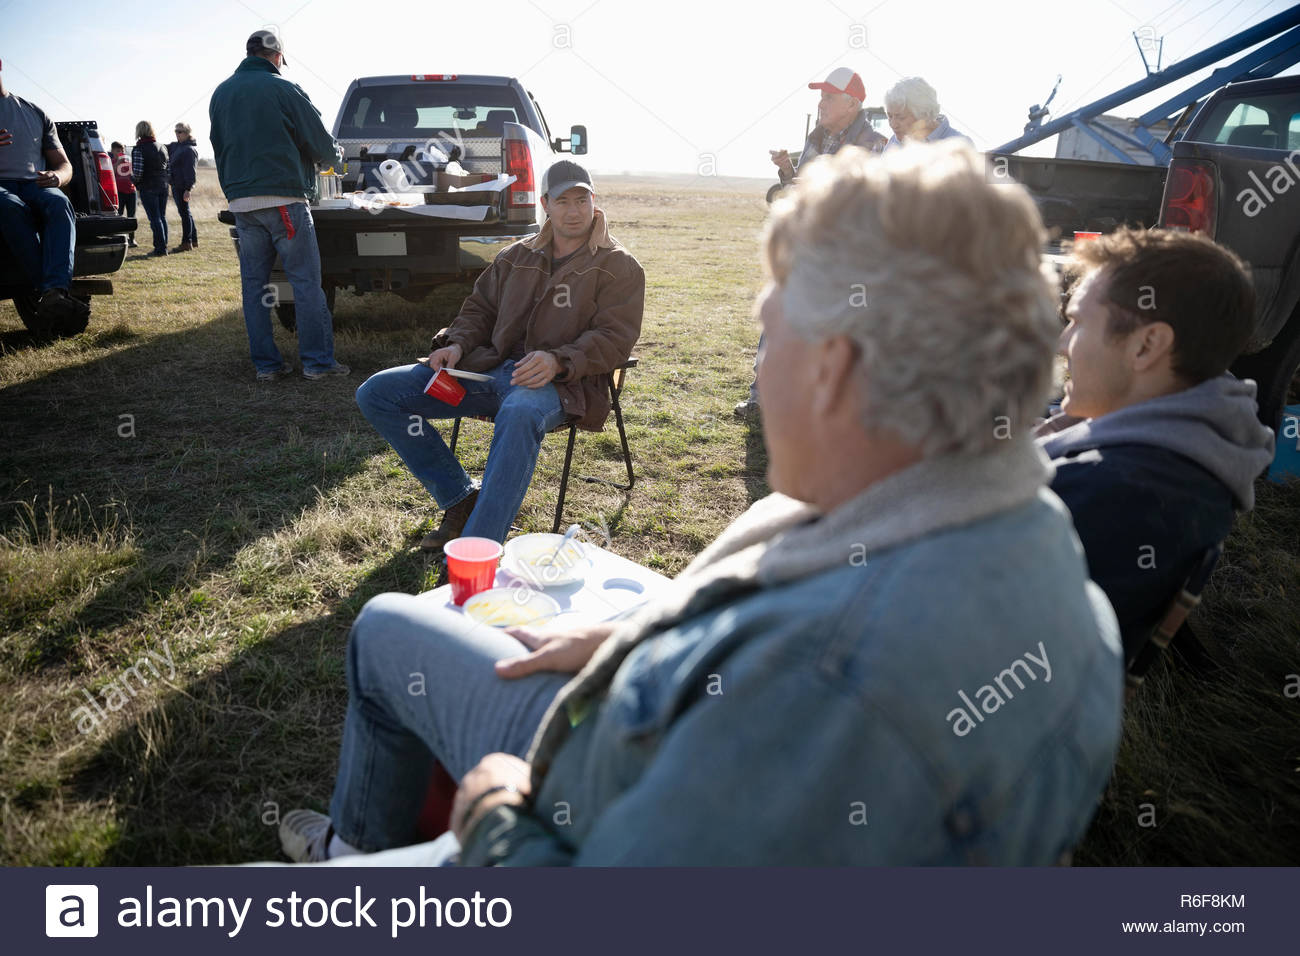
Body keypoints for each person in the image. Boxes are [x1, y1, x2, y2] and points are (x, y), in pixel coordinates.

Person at [277, 142, 1123, 866]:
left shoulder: (822, 682)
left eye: (769, 331)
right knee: (407, 617)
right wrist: (630, 639)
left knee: (384, 625)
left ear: (831, 368)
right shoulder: (1042, 555)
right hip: (635, 699)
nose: (758, 377)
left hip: (573, 787)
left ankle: (355, 860)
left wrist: (497, 806)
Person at [355, 160, 645, 552]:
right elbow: (479, 310)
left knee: (520, 410)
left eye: (582, 199)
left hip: (561, 386)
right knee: (378, 392)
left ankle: (477, 550)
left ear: (594, 202)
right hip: (485, 375)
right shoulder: (515, 255)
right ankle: (460, 497)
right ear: (545, 203)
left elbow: (615, 338)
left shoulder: (618, 266)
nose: (574, 210)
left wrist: (558, 360)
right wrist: (455, 344)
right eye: (563, 201)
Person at [1037, 227, 1274, 665]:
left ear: (1147, 345)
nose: (1061, 344)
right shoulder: (1188, 449)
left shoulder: (1105, 488)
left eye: (1077, 322)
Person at [738, 67, 888, 422]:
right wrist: (788, 171)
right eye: (821, 96)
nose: (821, 103)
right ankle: (762, 396)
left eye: (829, 97)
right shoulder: (818, 137)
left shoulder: (873, 144)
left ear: (852, 104)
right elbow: (803, 186)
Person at [209, 30, 349, 382]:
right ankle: (318, 363)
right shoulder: (284, 89)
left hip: (242, 203)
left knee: (254, 285)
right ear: (276, 57)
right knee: (304, 282)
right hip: (284, 199)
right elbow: (320, 143)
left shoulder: (221, 92)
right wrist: (338, 159)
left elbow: (219, 144)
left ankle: (267, 366)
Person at [0, 58, 88, 328]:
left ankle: (54, 291)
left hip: (35, 184)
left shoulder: (34, 112)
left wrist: (56, 176)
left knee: (59, 203)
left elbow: (65, 165)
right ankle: (48, 292)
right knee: (8, 205)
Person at [882, 76, 972, 150]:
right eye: (889, 116)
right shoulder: (894, 142)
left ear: (924, 115)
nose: (893, 124)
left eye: (901, 117)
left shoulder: (960, 146)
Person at [131, 120, 169, 257]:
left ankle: (160, 248)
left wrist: (132, 180)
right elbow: (168, 169)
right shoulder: (162, 147)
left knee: (155, 218)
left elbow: (138, 172)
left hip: (148, 187)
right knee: (162, 217)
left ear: (139, 131)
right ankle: (163, 245)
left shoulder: (139, 149)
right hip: (163, 186)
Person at [167, 122, 199, 252]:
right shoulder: (177, 146)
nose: (177, 134)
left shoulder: (189, 150)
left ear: (187, 133)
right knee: (186, 213)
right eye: (176, 131)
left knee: (184, 214)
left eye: (180, 131)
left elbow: (190, 171)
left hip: (182, 186)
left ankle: (187, 242)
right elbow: (162, 148)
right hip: (176, 184)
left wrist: (188, 189)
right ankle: (194, 240)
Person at [110, 141, 138, 248]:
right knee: (119, 215)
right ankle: (120, 237)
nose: (120, 152)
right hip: (119, 192)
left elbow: (133, 175)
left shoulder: (128, 161)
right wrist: (118, 162)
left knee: (131, 216)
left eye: (122, 150)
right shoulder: (111, 161)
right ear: (112, 151)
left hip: (131, 192)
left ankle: (132, 239)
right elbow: (111, 172)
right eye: (118, 151)